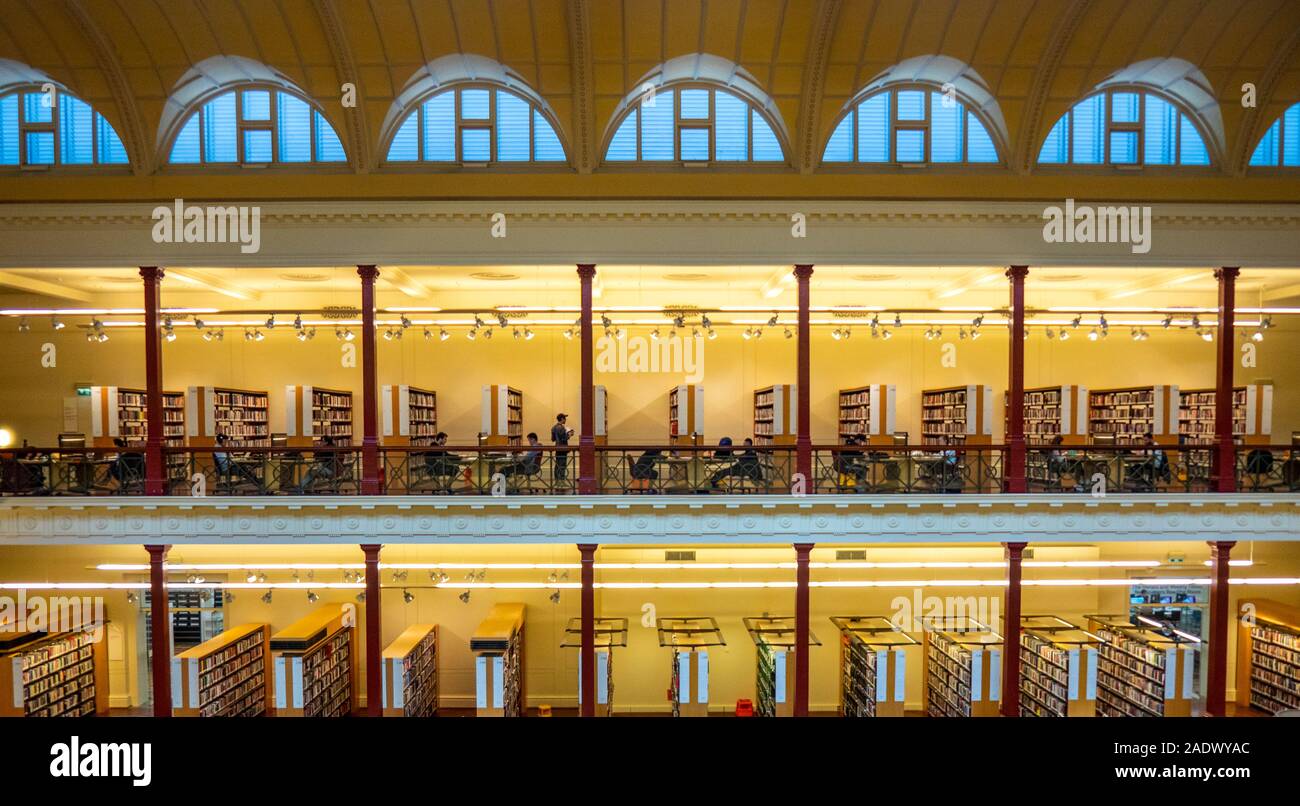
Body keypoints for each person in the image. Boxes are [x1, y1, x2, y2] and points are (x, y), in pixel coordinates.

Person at [551, 413, 573, 483]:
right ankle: (561, 479)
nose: (565, 420)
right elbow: (564, 438)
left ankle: (556, 479)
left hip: (557, 447)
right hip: (562, 448)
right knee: (562, 464)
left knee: (557, 464)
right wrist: (569, 434)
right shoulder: (561, 427)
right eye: (564, 418)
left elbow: (553, 439)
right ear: (562, 419)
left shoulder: (554, 427)